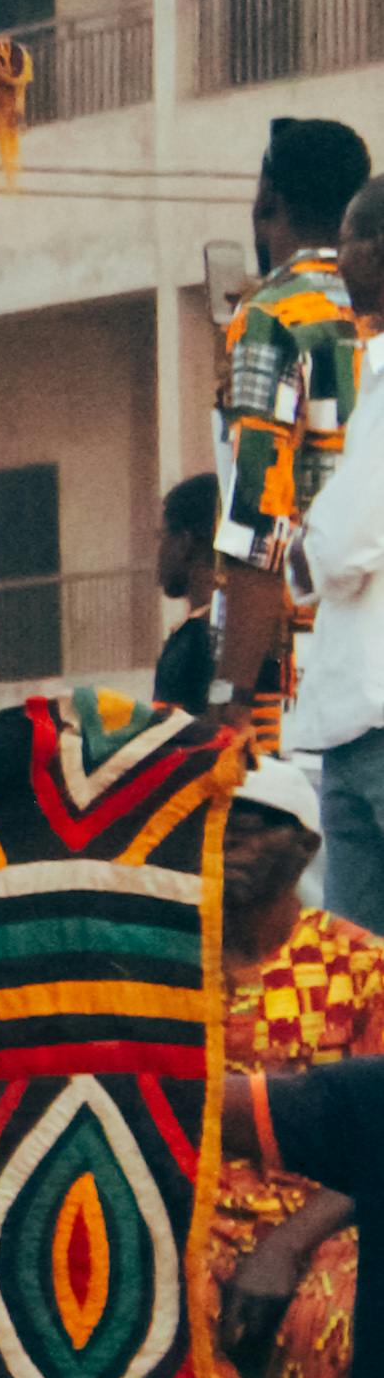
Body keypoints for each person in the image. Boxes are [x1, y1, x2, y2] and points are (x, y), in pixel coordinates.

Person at [209, 751, 384, 1378]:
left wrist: (284, 1244)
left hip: (325, 1210)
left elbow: (376, 1137)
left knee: (327, 1319)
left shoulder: (361, 966)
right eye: (216, 832)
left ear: (308, 845)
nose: (229, 848)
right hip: (199, 1202)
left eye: (251, 831)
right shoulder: (170, 962)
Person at [216, 114, 371, 733]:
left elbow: (259, 521)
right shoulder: (373, 309)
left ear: (267, 200)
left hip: (305, 681)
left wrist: (229, 693)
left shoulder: (275, 316)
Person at [288, 171, 384, 929]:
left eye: (348, 238)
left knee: (365, 976)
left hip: (375, 719)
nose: (339, 257)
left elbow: (344, 539)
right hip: (354, 723)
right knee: (362, 987)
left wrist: (306, 541)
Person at [153, 471, 222, 714]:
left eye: (162, 537)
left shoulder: (192, 640)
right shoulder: (240, 626)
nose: (159, 552)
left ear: (184, 542)